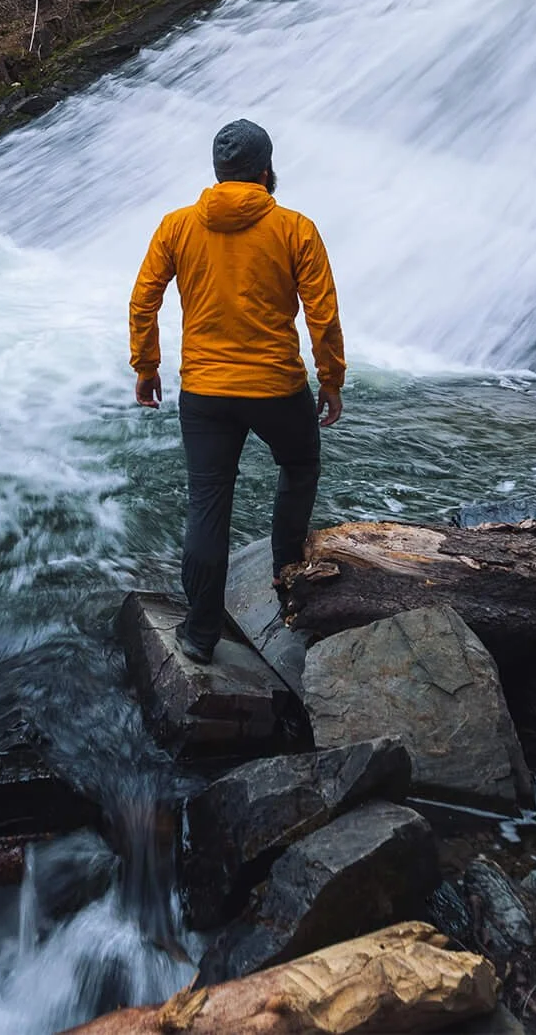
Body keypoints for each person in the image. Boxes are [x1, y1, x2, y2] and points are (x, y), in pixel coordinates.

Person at [128, 118, 344, 664]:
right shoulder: (295, 228)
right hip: (277, 387)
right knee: (298, 468)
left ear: (218, 174)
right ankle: (286, 579)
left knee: (208, 501)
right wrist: (331, 379)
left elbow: (143, 301)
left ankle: (200, 634)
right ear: (267, 173)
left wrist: (147, 367)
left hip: (205, 393)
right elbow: (323, 316)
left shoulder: (177, 226)